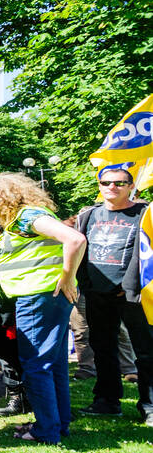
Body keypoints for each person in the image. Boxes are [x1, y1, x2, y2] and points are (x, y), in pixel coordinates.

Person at [0, 173, 86, 443]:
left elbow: (76, 239)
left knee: (36, 365)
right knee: (54, 365)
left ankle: (46, 430)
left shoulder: (28, 216)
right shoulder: (24, 219)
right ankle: (57, 425)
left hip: (38, 297)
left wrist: (68, 276)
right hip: (46, 296)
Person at [76, 165, 153, 425]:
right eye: (107, 182)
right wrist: (84, 283)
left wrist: (129, 285)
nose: (112, 187)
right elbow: (80, 250)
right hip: (97, 293)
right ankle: (107, 401)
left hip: (133, 294)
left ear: (131, 187)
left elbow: (145, 252)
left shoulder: (144, 214)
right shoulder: (90, 215)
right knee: (102, 349)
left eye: (120, 183)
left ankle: (149, 405)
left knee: (146, 351)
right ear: (99, 186)